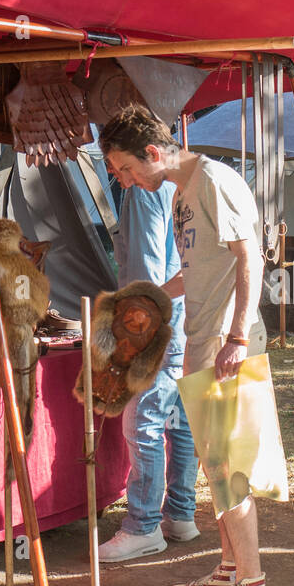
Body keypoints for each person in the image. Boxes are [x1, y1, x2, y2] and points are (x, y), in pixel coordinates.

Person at [98, 106, 272, 586]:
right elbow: (196, 272)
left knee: (229, 471)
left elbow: (252, 260)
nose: (124, 180)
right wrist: (146, 298)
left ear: (152, 153)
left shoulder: (213, 182)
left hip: (227, 346)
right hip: (204, 346)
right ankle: (228, 569)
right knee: (217, 472)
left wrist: (238, 337)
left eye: (125, 169)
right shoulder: (179, 192)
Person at [95, 180, 200, 561]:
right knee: (179, 420)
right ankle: (180, 515)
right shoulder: (179, 186)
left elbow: (145, 271)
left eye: (117, 164)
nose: (116, 174)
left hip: (157, 327)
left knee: (142, 423)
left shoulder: (142, 190)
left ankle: (143, 526)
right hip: (187, 322)